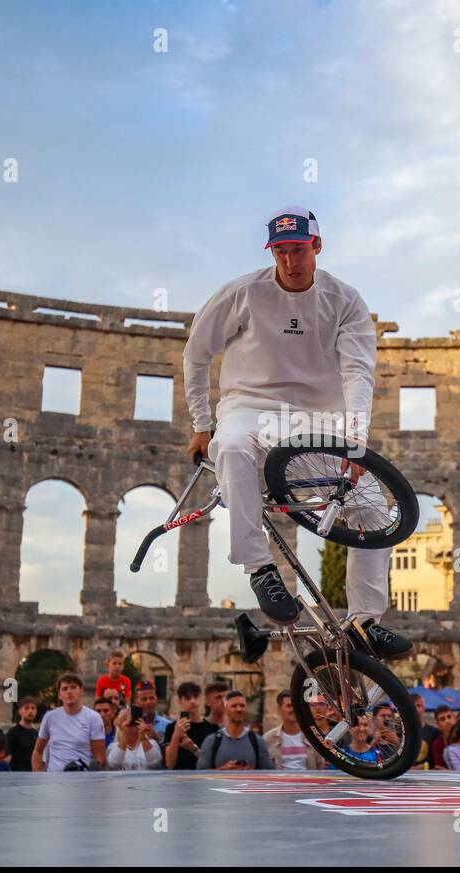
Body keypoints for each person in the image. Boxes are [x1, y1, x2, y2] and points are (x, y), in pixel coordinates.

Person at [181, 205, 409, 660]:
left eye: (298, 249)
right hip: (250, 407)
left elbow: (358, 373)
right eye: (280, 251)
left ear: (317, 246)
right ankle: (260, 567)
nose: (289, 260)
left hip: (315, 422)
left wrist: (355, 439)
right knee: (231, 444)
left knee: (374, 512)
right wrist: (202, 423)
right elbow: (196, 353)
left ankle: (365, 621)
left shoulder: (345, 301)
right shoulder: (243, 293)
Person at [33, 673, 106, 772]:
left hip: (82, 779)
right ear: (59, 695)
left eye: (73, 687)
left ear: (81, 691)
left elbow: (100, 757)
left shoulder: (94, 717)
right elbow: (38, 751)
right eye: (65, 689)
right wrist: (39, 776)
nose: (69, 691)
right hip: (53, 780)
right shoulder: (50, 717)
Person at [196, 691, 273, 770]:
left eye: (242, 706)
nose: (239, 709)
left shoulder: (257, 741)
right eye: (234, 706)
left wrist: (250, 771)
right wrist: (223, 770)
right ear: (225, 710)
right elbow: (200, 773)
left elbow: (268, 773)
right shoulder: (211, 741)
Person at [165, 681, 222, 770]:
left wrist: (193, 748)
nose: (193, 701)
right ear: (180, 701)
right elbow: (169, 764)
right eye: (187, 698)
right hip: (179, 780)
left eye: (196, 697)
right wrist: (176, 736)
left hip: (205, 780)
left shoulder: (213, 728)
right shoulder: (171, 728)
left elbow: (216, 763)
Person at [264, 690, 324, 770]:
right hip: (280, 782)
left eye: (296, 706)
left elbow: (320, 767)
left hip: (308, 782)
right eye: (289, 706)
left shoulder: (313, 736)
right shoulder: (268, 739)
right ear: (279, 709)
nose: (293, 709)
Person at [107, 705, 164, 770]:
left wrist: (143, 737)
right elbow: (114, 764)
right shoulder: (113, 746)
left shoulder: (151, 743)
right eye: (126, 719)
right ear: (120, 725)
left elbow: (155, 762)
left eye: (134, 717)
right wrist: (125, 732)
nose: (131, 721)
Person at [6, 697, 39, 772]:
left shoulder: (36, 733)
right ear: (20, 711)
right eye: (27, 708)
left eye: (33, 708)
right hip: (17, 776)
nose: (30, 711)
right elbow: (7, 757)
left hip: (34, 775)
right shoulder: (13, 733)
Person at [428, 705, 455, 769]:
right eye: (442, 719)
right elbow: (441, 769)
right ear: (438, 725)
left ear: (455, 718)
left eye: (449, 717)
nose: (447, 721)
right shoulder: (437, 744)